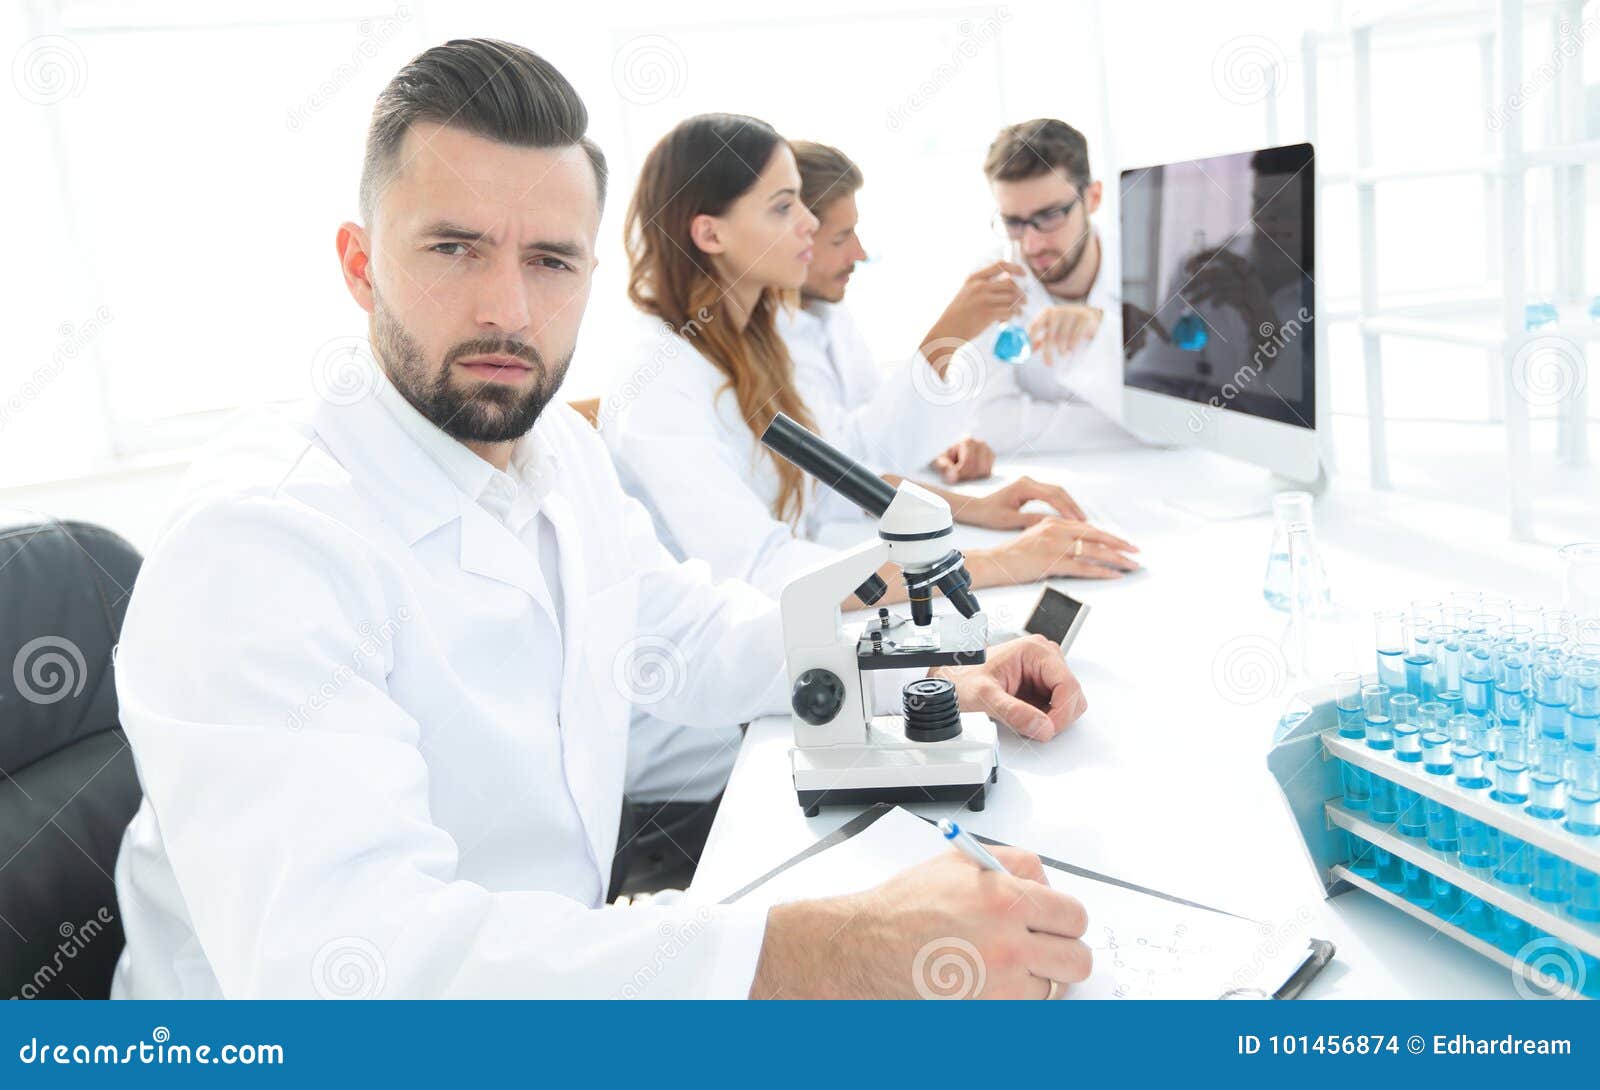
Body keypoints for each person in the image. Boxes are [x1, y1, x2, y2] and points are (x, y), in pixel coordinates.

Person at [109, 39, 1093, 1000]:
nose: (509, 308)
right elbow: (351, 971)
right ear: (361, 266)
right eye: (455, 248)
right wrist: (824, 953)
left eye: (549, 260)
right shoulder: (258, 543)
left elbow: (693, 634)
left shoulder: (553, 455)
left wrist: (926, 674)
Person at [786, 140, 997, 485]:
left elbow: (873, 413)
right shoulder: (764, 341)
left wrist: (934, 449)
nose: (860, 253)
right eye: (840, 239)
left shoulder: (828, 312)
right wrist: (941, 342)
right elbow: (841, 472)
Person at [967, 118, 1145, 456]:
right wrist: (1132, 426)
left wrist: (1101, 333)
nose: (1031, 245)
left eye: (1049, 216)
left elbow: (1185, 418)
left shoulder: (1151, 269)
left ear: (1093, 198)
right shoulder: (992, 280)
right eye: (1013, 223)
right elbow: (993, 427)